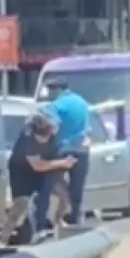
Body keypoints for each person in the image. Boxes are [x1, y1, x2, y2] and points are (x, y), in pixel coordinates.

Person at [0, 113, 76, 248]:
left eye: (45, 137)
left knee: (64, 194)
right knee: (20, 205)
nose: (43, 140)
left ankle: (58, 220)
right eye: (40, 138)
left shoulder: (53, 132)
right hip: (22, 170)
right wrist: (63, 163)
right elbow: (38, 166)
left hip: (47, 164)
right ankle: (3, 238)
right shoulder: (28, 139)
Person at [41, 77, 91, 226]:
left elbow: (53, 127)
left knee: (53, 182)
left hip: (62, 150)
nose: (49, 94)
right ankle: (75, 217)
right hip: (81, 150)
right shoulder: (82, 102)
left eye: (51, 90)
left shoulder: (55, 106)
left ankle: (56, 213)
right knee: (78, 186)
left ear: (59, 90)